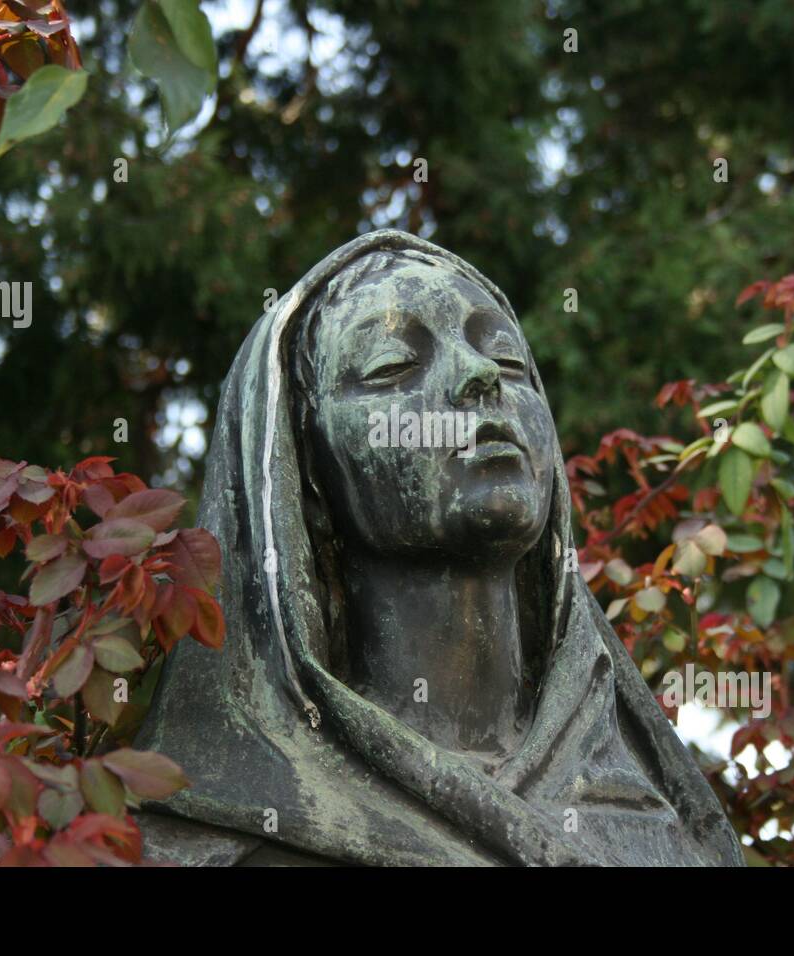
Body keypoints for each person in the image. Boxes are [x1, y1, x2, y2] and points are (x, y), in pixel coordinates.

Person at [136, 229, 743, 866]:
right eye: (391, 367)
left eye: (508, 361)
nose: (481, 376)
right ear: (307, 473)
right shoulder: (228, 838)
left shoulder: (667, 831)